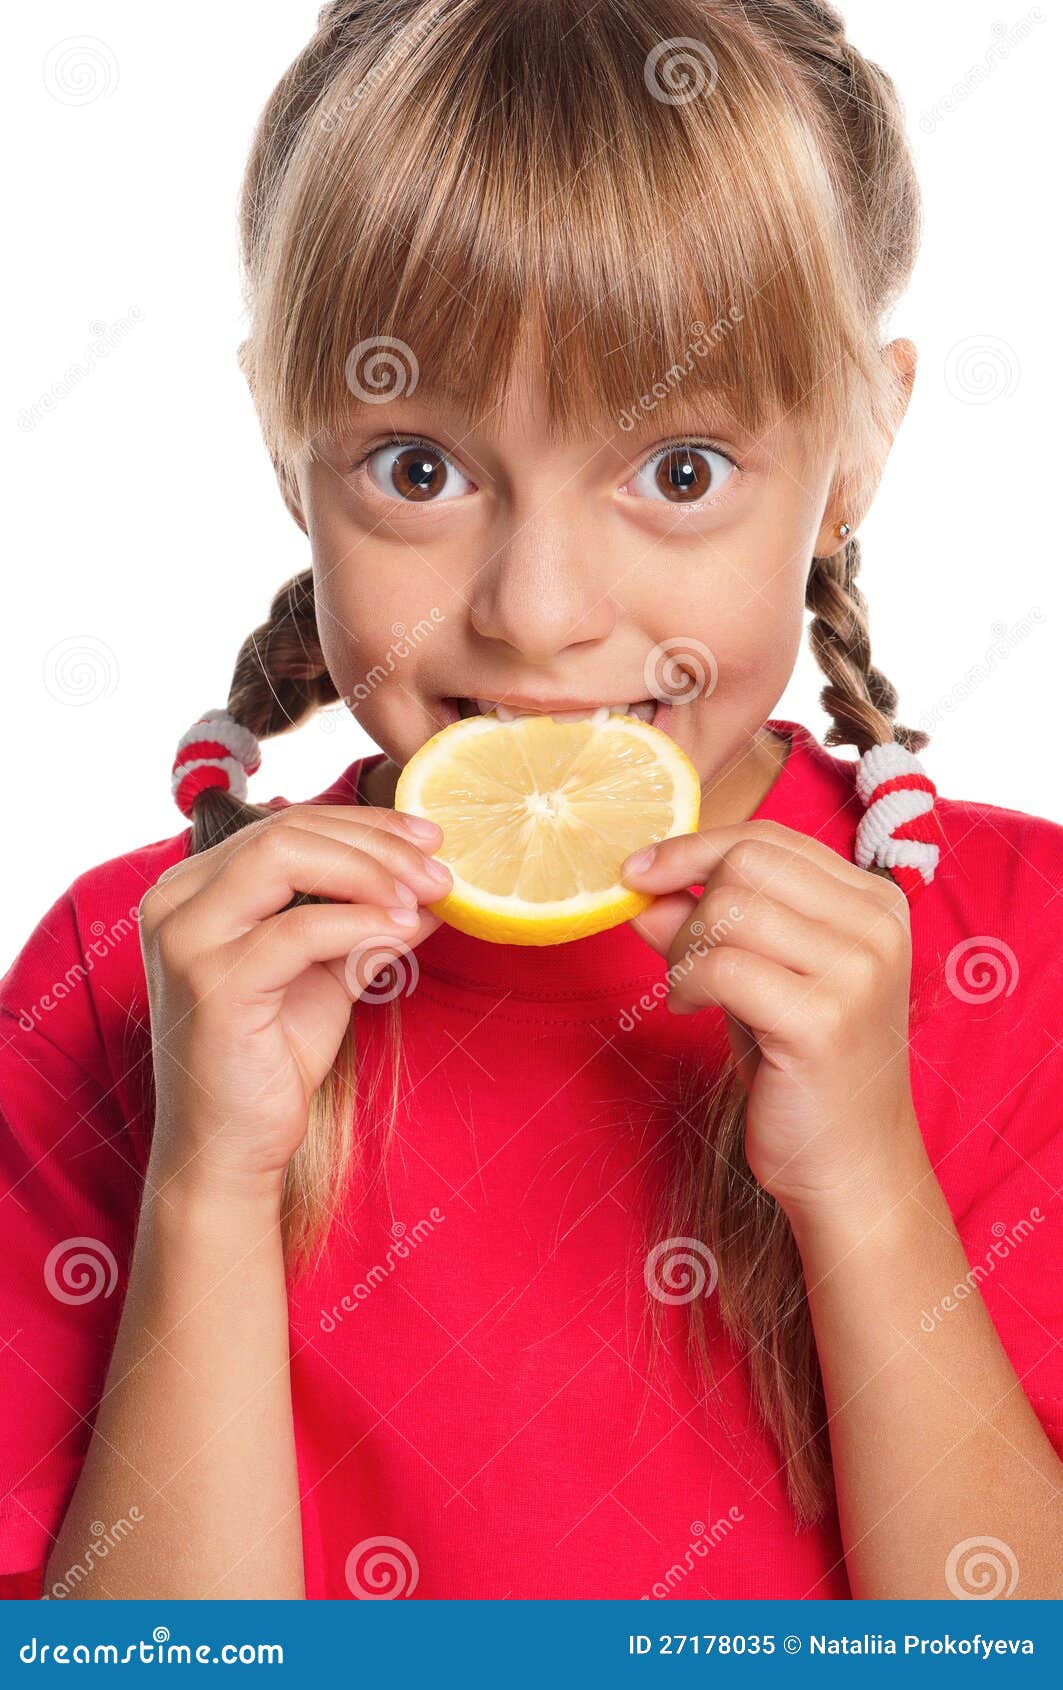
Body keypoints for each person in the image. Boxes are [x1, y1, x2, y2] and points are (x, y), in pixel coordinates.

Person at [2, 0, 1060, 1601]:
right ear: (291, 454)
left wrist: (863, 1177)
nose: (540, 611)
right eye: (419, 467)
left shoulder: (1021, 960)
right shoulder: (128, 977)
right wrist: (209, 1184)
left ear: (854, 451)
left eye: (680, 471)